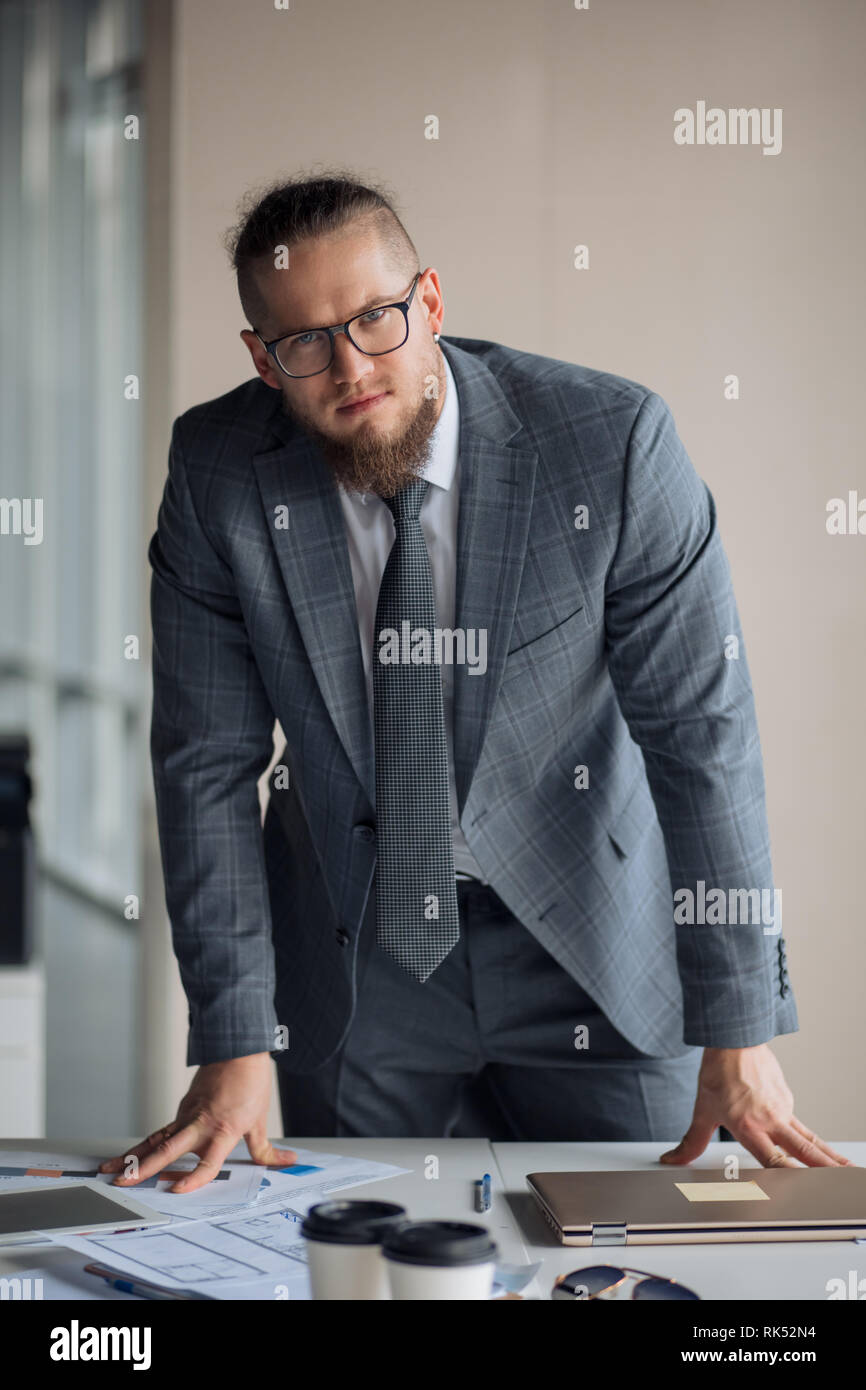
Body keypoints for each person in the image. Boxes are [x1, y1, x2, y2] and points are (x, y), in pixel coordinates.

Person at [100, 171, 848, 1197]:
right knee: (362, 1255)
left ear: (432, 303)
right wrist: (233, 1040)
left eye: (374, 319)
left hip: (593, 945)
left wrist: (736, 1023)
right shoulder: (220, 471)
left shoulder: (608, 446)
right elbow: (205, 764)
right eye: (303, 342)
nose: (349, 366)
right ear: (262, 360)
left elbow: (700, 738)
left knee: (643, 1255)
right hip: (360, 963)